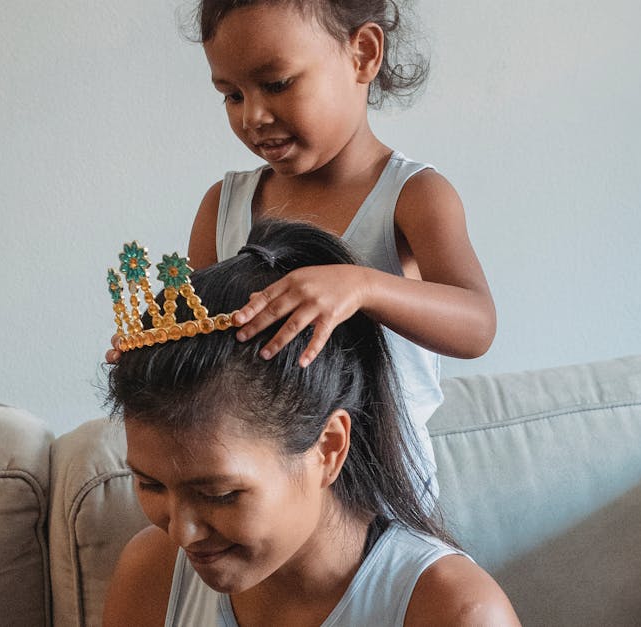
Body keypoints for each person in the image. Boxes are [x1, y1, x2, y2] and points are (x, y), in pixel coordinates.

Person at [108, 0, 497, 507]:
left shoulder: (414, 197)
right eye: (231, 95)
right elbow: (202, 358)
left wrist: (362, 286)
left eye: (276, 84)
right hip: (260, 495)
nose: (253, 116)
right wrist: (153, 349)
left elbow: (477, 325)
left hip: (382, 495)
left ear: (363, 53)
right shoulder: (223, 209)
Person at [102, 220, 518, 626]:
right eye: (151, 484)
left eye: (220, 493)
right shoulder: (151, 576)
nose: (182, 532)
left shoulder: (454, 612)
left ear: (329, 447)